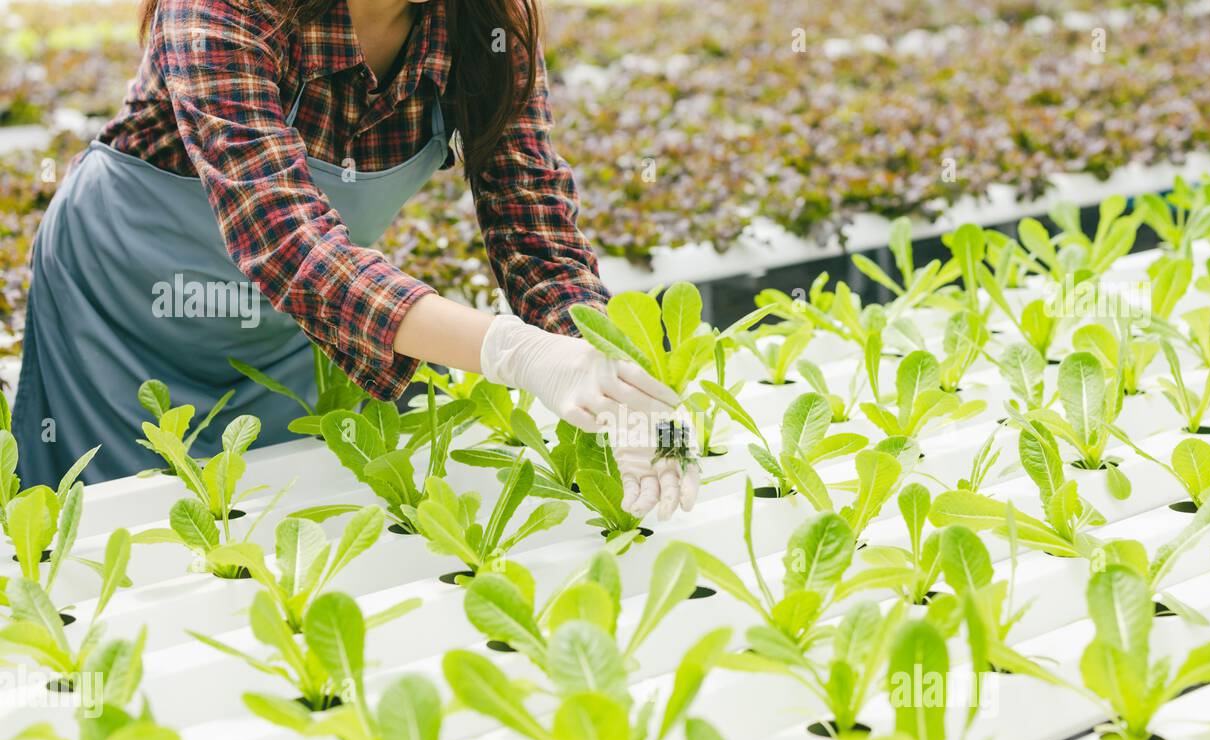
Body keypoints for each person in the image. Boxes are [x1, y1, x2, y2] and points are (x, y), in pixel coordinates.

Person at [12, 0, 697, 519]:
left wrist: (614, 369)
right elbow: (289, 244)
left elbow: (534, 231)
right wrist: (515, 353)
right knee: (128, 535)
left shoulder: (486, 24)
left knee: (281, 526)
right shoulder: (222, 8)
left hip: (286, 326)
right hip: (115, 310)